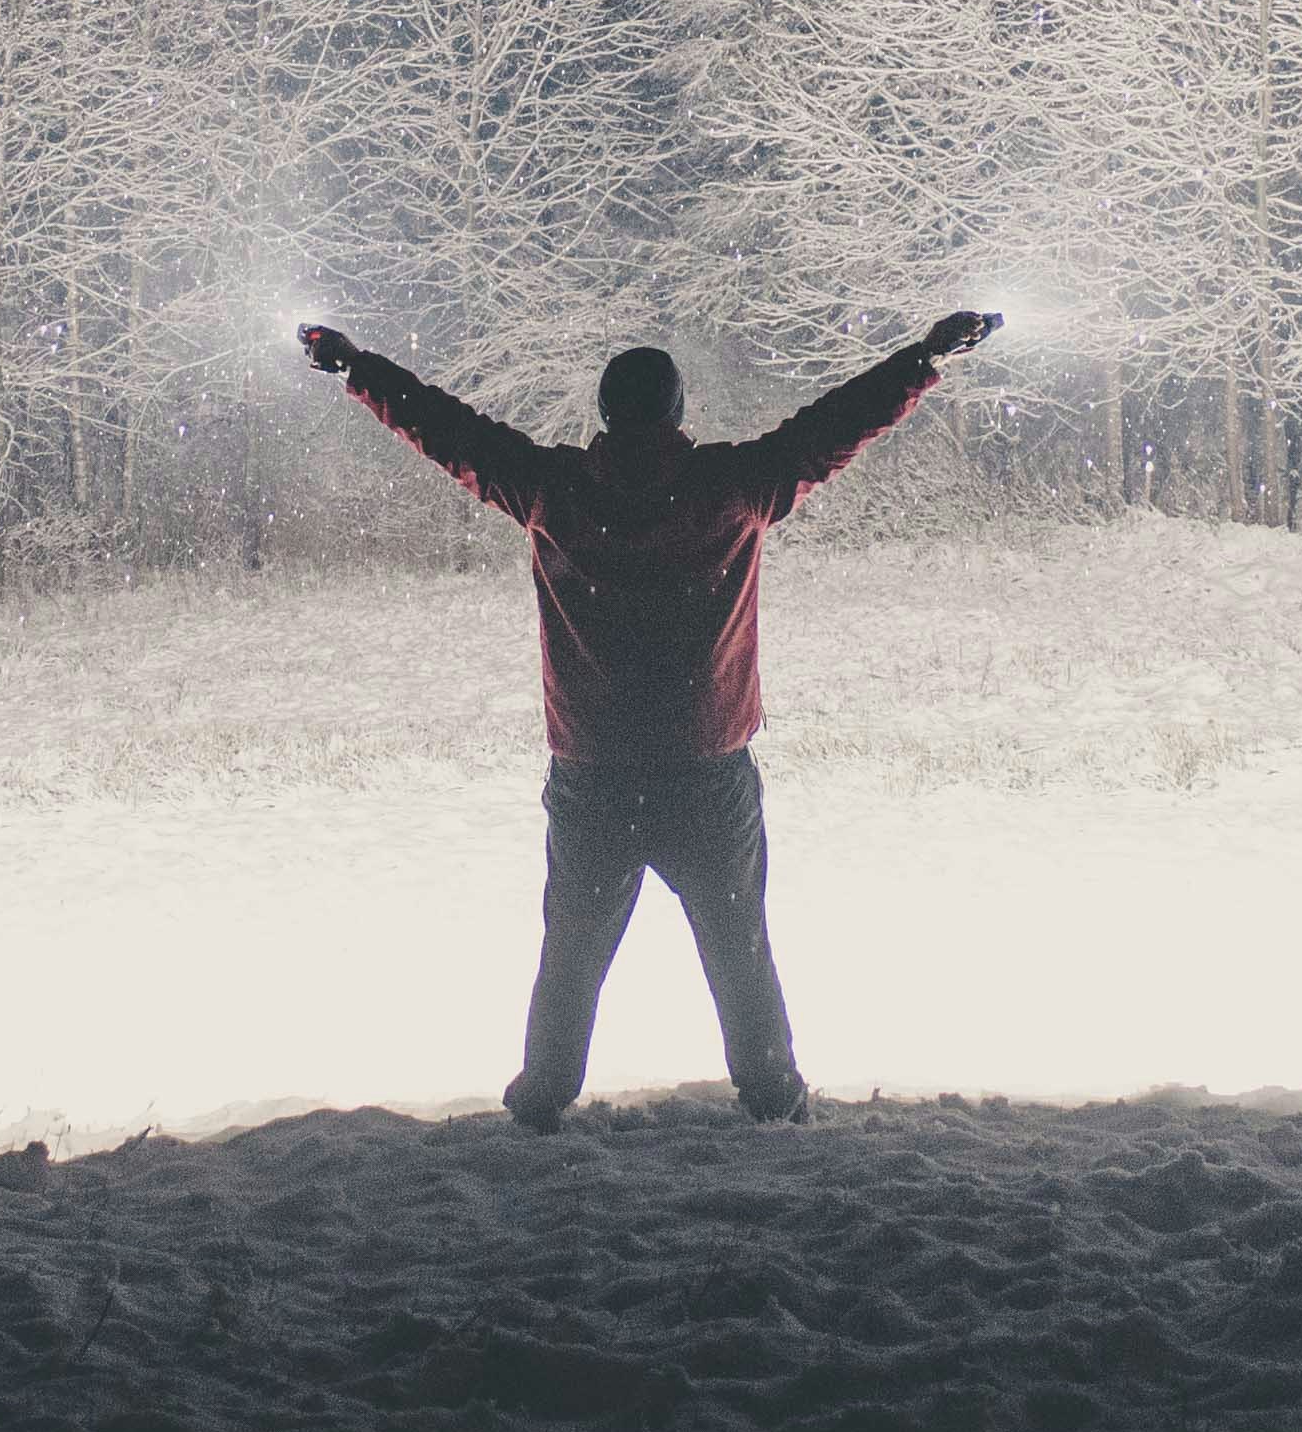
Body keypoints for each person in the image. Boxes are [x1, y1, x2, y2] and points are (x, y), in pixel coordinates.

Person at [305, 308, 994, 1131]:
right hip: (706, 772)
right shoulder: (732, 488)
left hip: (594, 774)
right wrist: (924, 358)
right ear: (676, 414)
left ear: (604, 414)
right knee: (739, 949)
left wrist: (355, 369)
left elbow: (449, 431)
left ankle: (543, 1101)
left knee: (572, 955)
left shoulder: (552, 488)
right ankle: (772, 1097)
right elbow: (833, 427)